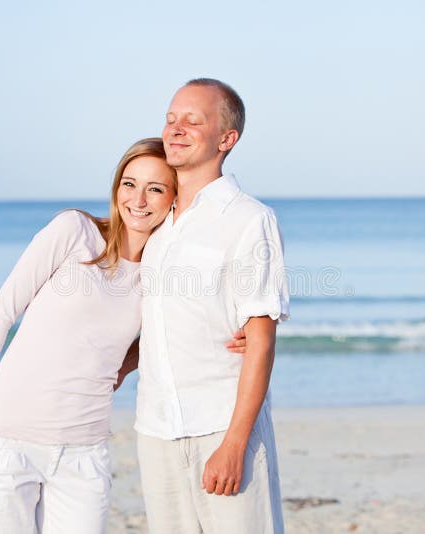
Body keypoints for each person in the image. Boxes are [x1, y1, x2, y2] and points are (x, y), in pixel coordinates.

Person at [0, 138, 245, 533]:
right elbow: (0, 314)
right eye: (129, 184)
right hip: (3, 443)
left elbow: (174, 336)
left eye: (155, 188)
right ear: (116, 187)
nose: (138, 199)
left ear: (173, 198)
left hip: (83, 454)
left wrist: (240, 337)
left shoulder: (162, 273)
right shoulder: (74, 231)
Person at [129, 79, 290, 533]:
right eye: (171, 118)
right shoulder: (156, 223)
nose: (175, 129)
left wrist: (235, 444)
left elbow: (260, 342)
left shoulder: (248, 219)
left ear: (226, 139)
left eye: (193, 120)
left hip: (220, 424)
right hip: (155, 429)